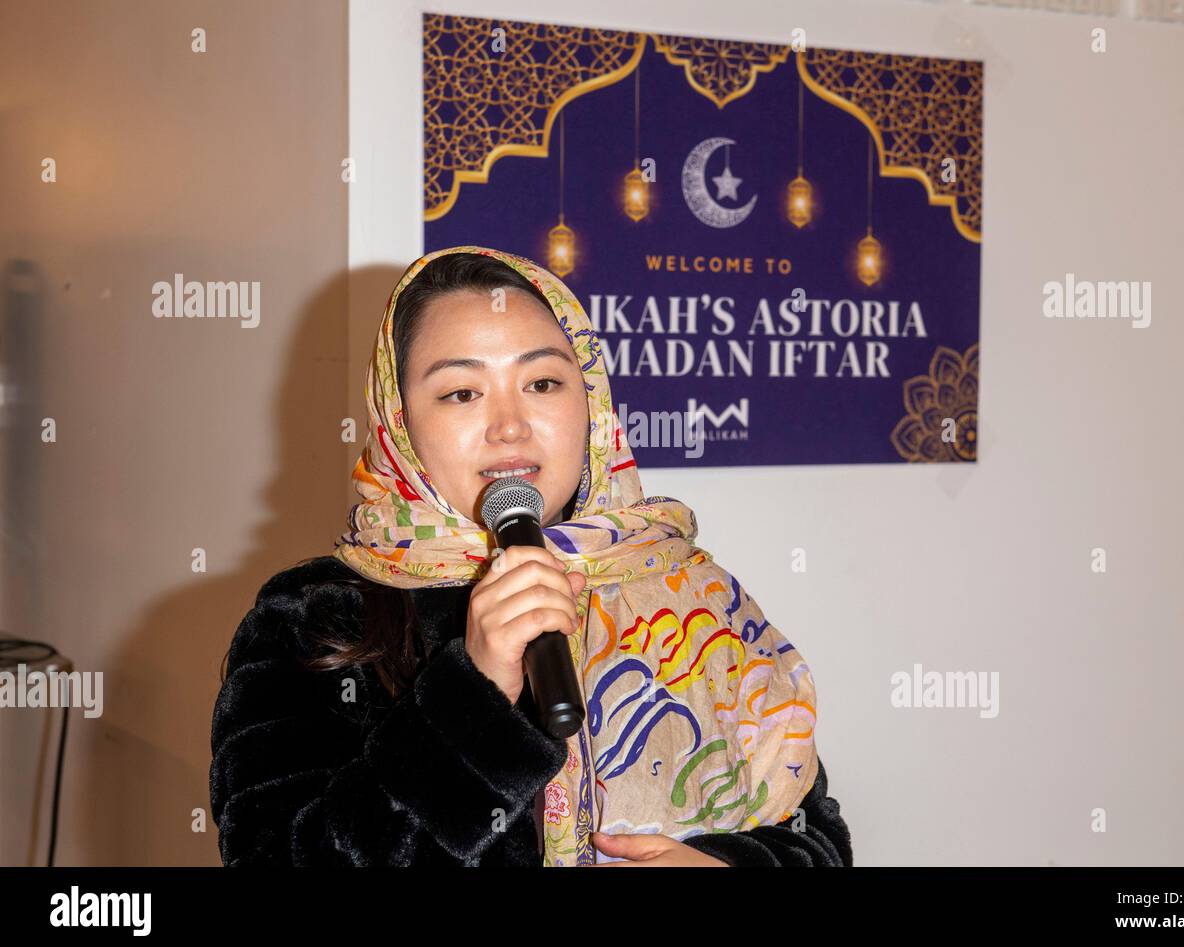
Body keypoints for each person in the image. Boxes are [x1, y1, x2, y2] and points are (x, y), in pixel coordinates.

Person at [209, 246, 853, 867]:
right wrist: (476, 694)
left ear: (592, 407)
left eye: (542, 382)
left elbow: (815, 835)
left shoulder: (685, 589)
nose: (510, 425)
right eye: (462, 393)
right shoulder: (315, 615)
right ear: (398, 420)